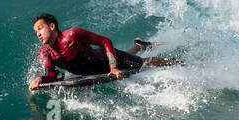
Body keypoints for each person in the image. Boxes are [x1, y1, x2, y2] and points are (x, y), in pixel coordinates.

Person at [27, 12, 180, 90]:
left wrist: (113, 67)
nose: (38, 34)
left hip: (108, 60)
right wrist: (41, 79)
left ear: (52, 26)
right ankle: (139, 45)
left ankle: (177, 63)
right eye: (35, 32)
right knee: (130, 55)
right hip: (95, 68)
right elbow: (52, 75)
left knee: (145, 63)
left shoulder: (73, 35)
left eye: (40, 29)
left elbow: (105, 41)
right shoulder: (44, 52)